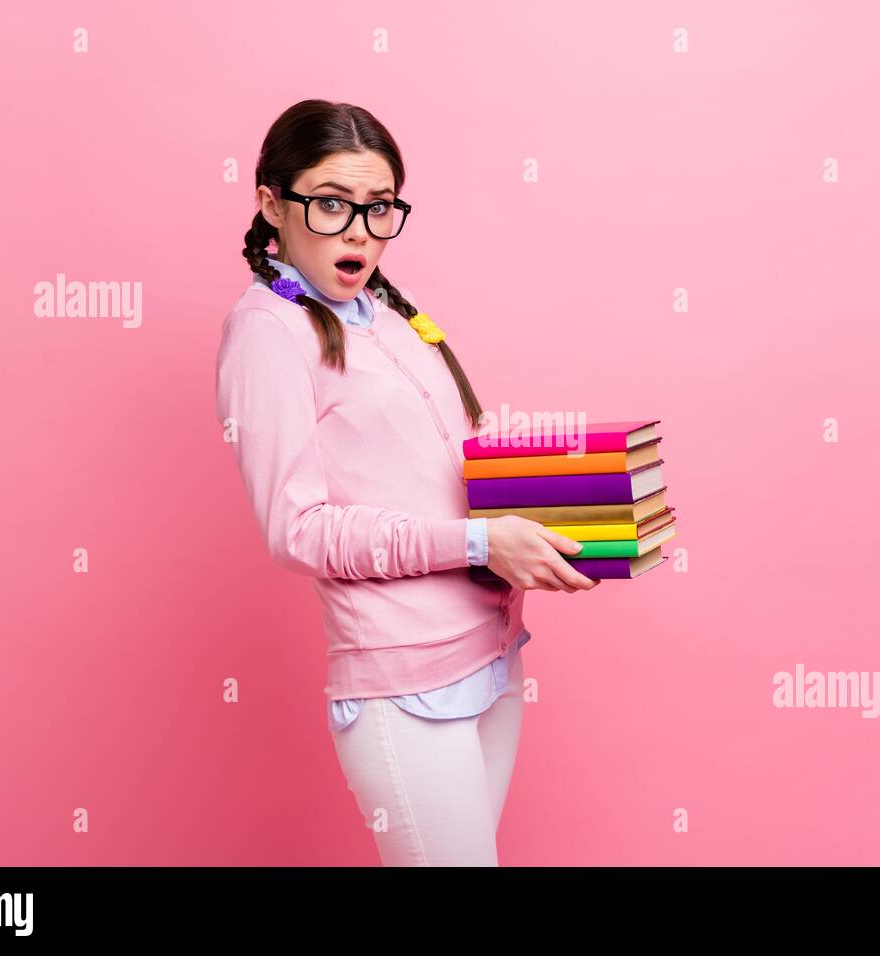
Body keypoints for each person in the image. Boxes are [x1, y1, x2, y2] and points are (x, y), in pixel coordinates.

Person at [214, 99, 598, 866]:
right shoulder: (267, 331)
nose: (359, 230)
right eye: (330, 204)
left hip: (491, 651)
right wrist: (480, 539)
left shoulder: (386, 309)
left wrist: (581, 499)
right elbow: (299, 531)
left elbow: (442, 465)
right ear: (271, 204)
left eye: (379, 208)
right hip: (404, 682)